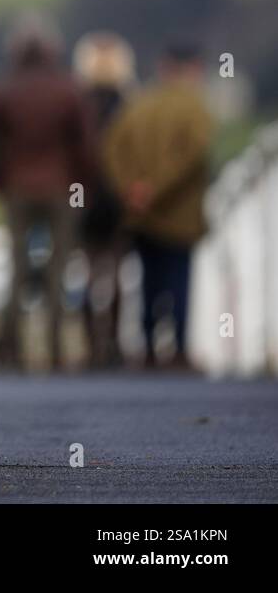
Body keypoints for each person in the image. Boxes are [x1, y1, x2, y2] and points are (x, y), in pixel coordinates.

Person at [0, 14, 96, 371]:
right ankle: (57, 349)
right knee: (58, 269)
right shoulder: (69, 89)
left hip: (17, 188)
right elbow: (87, 146)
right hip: (61, 188)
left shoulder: (3, 90)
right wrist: (82, 183)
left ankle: (8, 348)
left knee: (17, 270)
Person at [103, 43, 213, 371]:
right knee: (179, 280)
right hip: (180, 215)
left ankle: (148, 348)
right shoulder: (196, 108)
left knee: (149, 280)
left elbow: (111, 149)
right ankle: (177, 350)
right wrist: (156, 188)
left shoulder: (138, 105)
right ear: (191, 68)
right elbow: (193, 156)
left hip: (141, 216)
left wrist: (132, 191)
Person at [72, 31, 137, 369]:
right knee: (114, 273)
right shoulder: (129, 106)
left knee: (86, 271)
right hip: (117, 196)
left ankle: (90, 345)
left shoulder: (77, 102)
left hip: (82, 195)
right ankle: (112, 343)